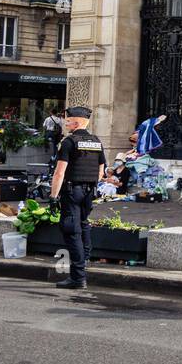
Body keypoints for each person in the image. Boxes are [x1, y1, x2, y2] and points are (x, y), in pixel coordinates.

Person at [50, 106, 106, 289]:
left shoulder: (69, 142)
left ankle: (78, 277)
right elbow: (101, 170)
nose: (65, 123)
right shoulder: (96, 141)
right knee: (83, 225)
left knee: (72, 230)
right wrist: (91, 185)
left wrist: (53, 197)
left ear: (77, 122)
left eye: (68, 120)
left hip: (72, 190)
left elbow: (59, 173)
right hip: (90, 191)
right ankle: (84, 261)